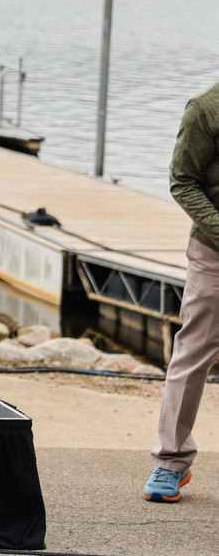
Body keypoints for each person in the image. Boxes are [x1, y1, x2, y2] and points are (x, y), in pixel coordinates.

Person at [144, 81, 219, 501]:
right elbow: (183, 182)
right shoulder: (206, 108)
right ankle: (170, 463)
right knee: (193, 356)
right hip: (215, 254)